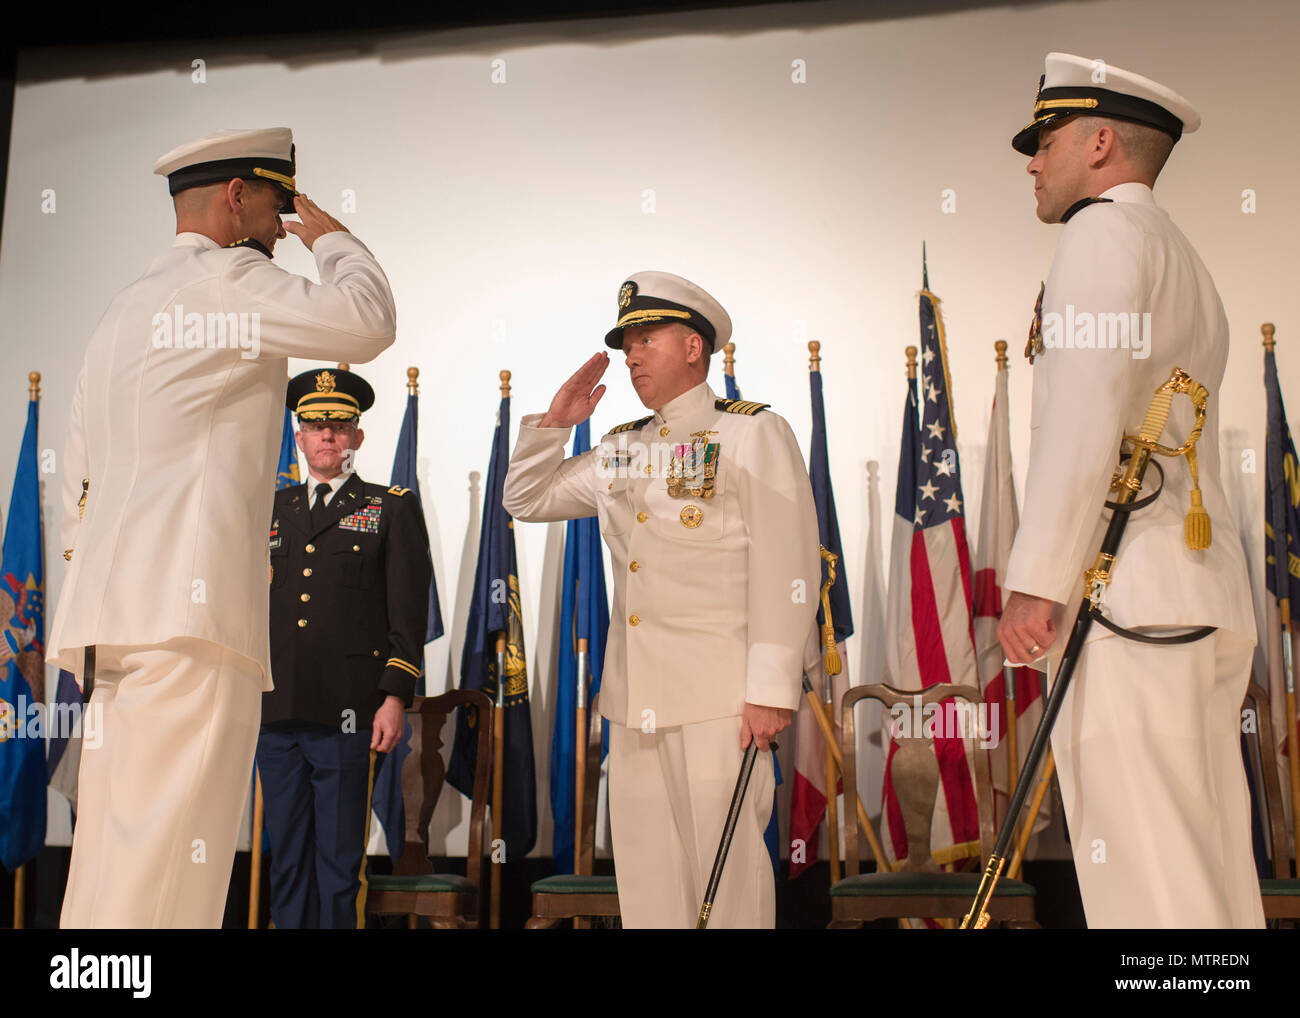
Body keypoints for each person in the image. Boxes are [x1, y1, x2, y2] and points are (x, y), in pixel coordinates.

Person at [48, 128, 398, 928]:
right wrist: (336, 241)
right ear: (237, 198)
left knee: (111, 859)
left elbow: (77, 487)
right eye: (279, 203)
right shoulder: (227, 281)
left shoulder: (120, 314)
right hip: (190, 625)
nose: (285, 225)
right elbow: (366, 324)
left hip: (118, 627)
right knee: (170, 871)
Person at [998, 54, 1264, 928]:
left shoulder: (1102, 234)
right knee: (1203, 860)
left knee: (1151, 876)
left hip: (1127, 593)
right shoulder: (1182, 255)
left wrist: (1037, 576)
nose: (1032, 162)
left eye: (1046, 141)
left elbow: (1084, 409)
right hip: (1188, 587)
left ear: (1101, 141)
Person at [503, 271, 820, 927]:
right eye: (627, 342)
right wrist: (554, 426)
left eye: (647, 337)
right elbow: (527, 500)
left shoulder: (752, 434)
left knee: (725, 884)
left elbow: (788, 566)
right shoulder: (626, 448)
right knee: (649, 884)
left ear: (695, 347)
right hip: (634, 698)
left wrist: (770, 687)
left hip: (722, 699)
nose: (632, 354)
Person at [258, 367, 431, 929]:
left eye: (340, 425)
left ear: (357, 436)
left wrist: (393, 695)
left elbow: (409, 614)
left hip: (349, 714)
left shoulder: (390, 507)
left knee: (337, 865)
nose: (327, 434)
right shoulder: (269, 510)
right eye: (315, 424)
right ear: (299, 435)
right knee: (286, 858)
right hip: (276, 711)